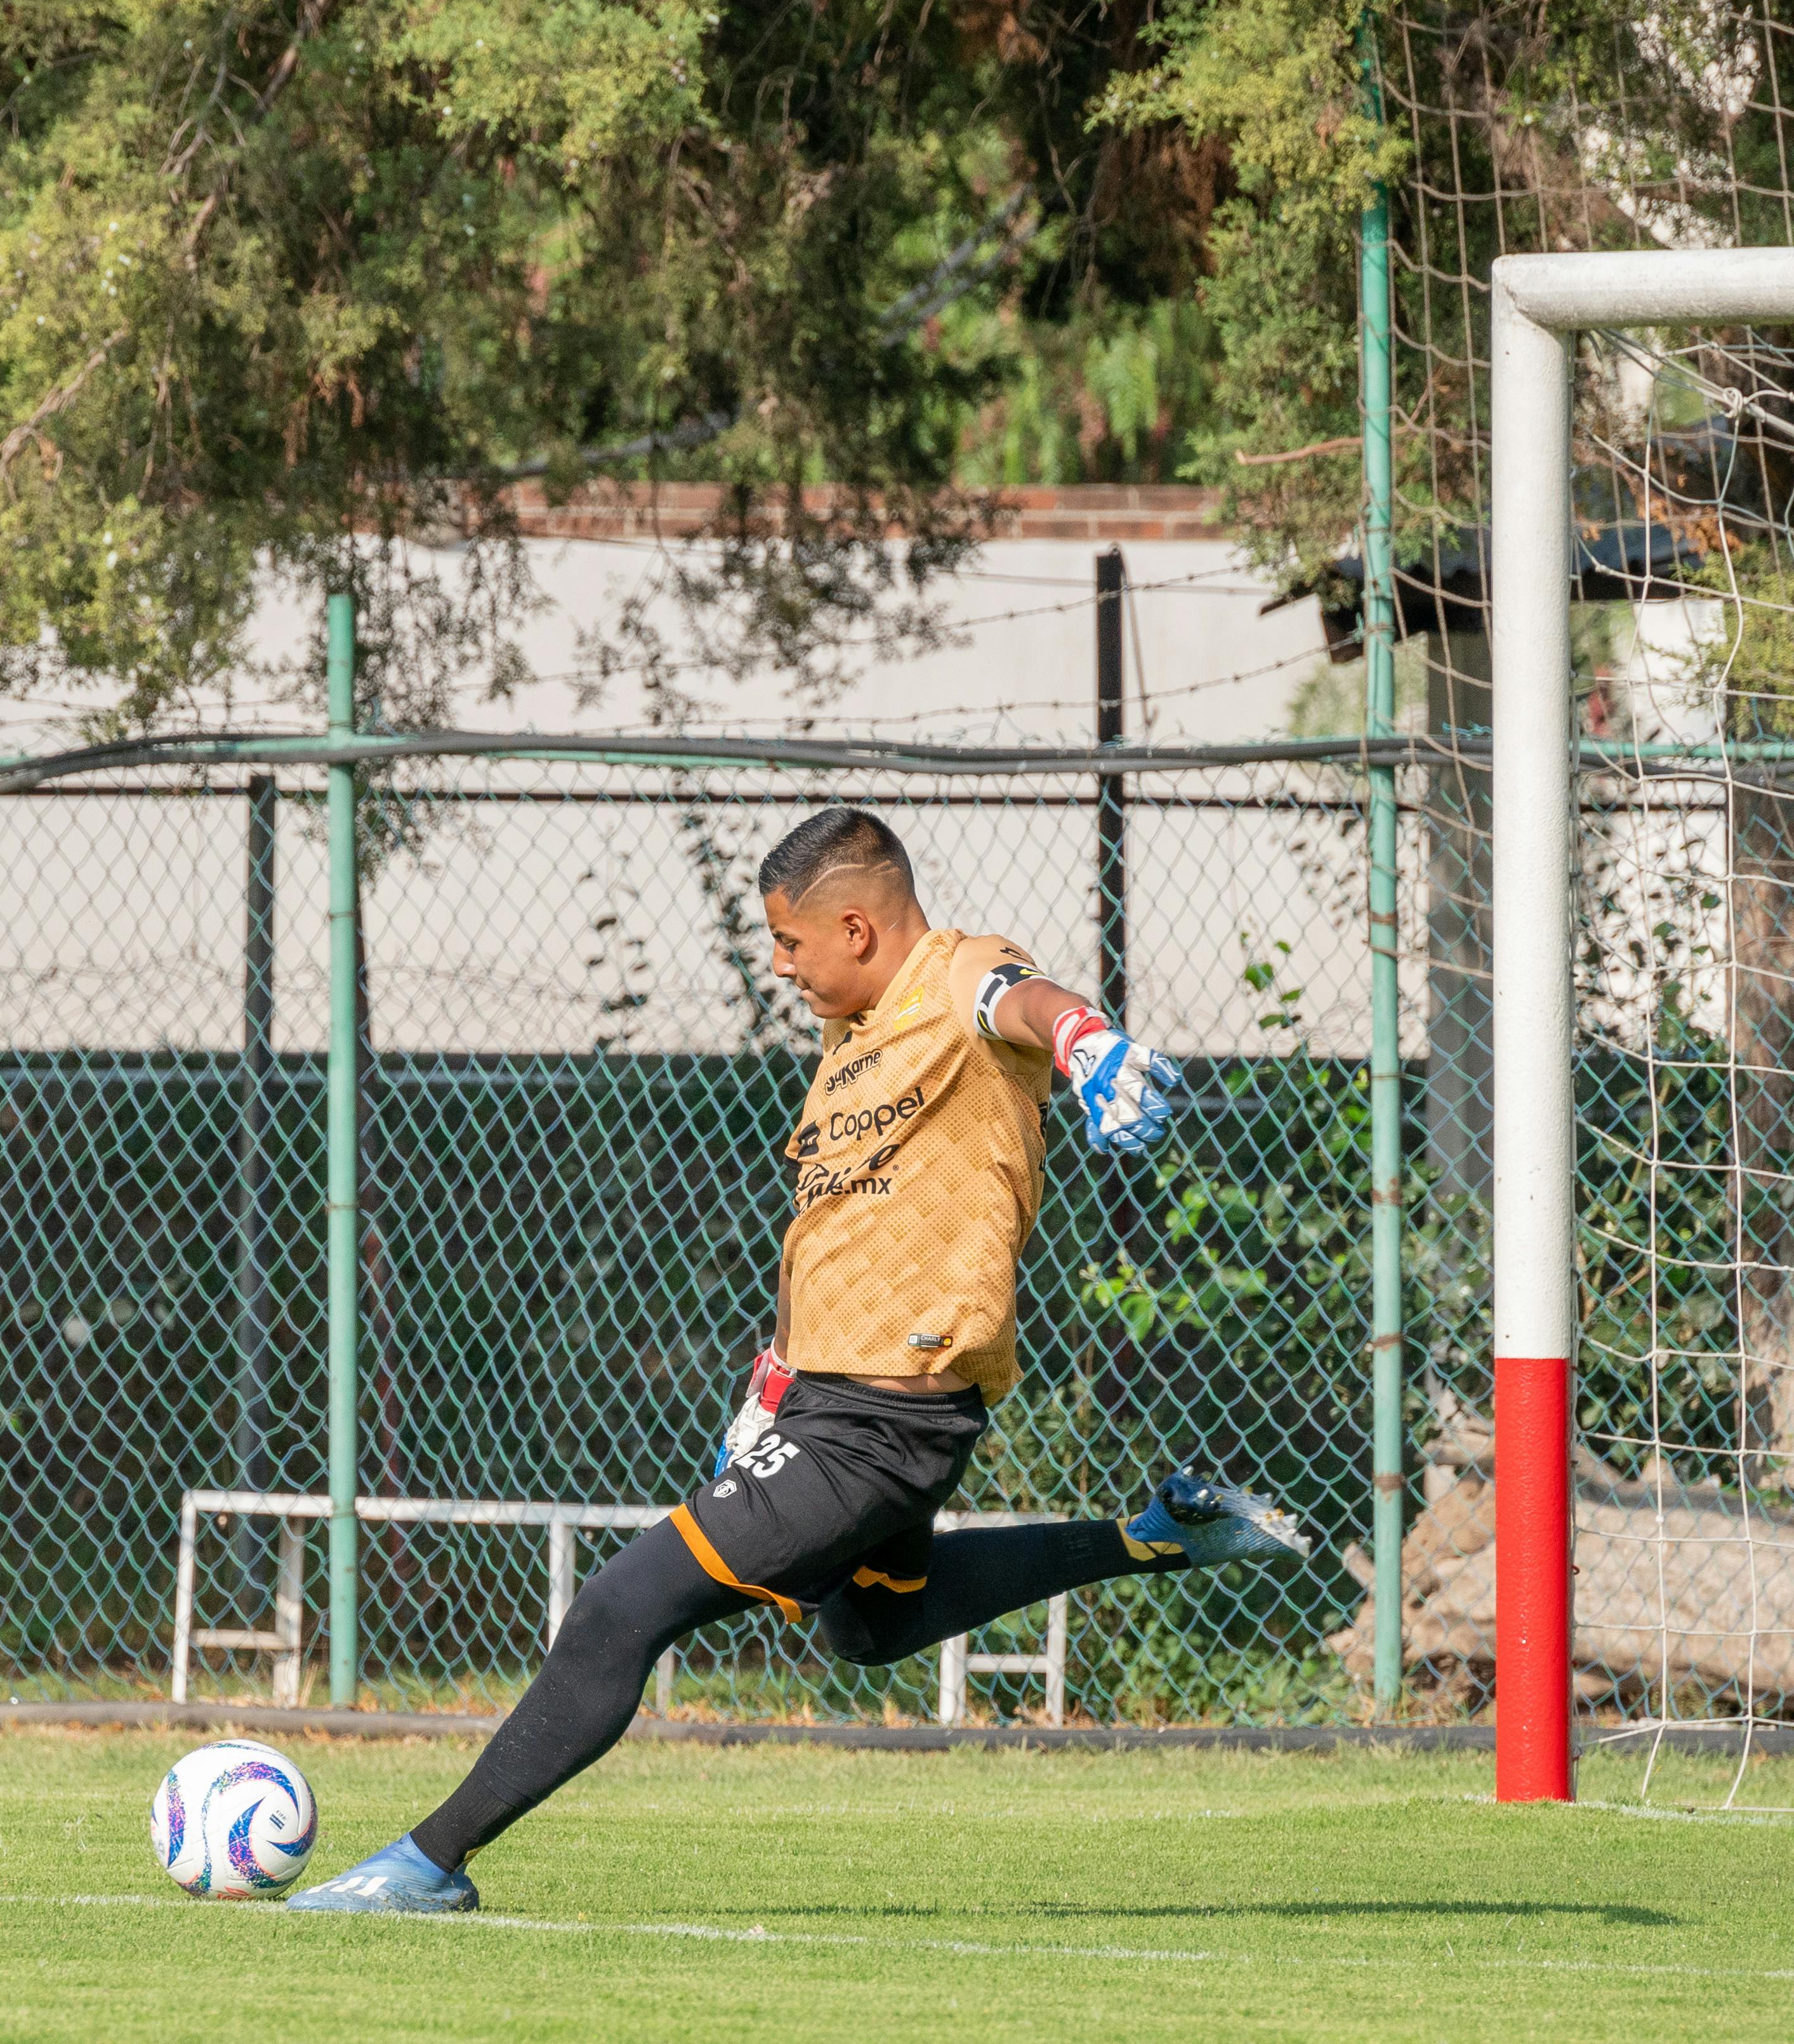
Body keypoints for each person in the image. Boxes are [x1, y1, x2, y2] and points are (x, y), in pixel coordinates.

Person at [293, 804, 1312, 1913]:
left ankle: (426, 1862)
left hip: (882, 1426)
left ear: (856, 928)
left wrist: (1081, 1039)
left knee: (619, 1607)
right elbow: (825, 1229)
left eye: (789, 940)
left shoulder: (957, 978)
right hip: (824, 1403)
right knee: (873, 1625)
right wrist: (770, 1385)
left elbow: (1017, 995)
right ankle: (1150, 1538)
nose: (780, 965)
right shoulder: (852, 1042)